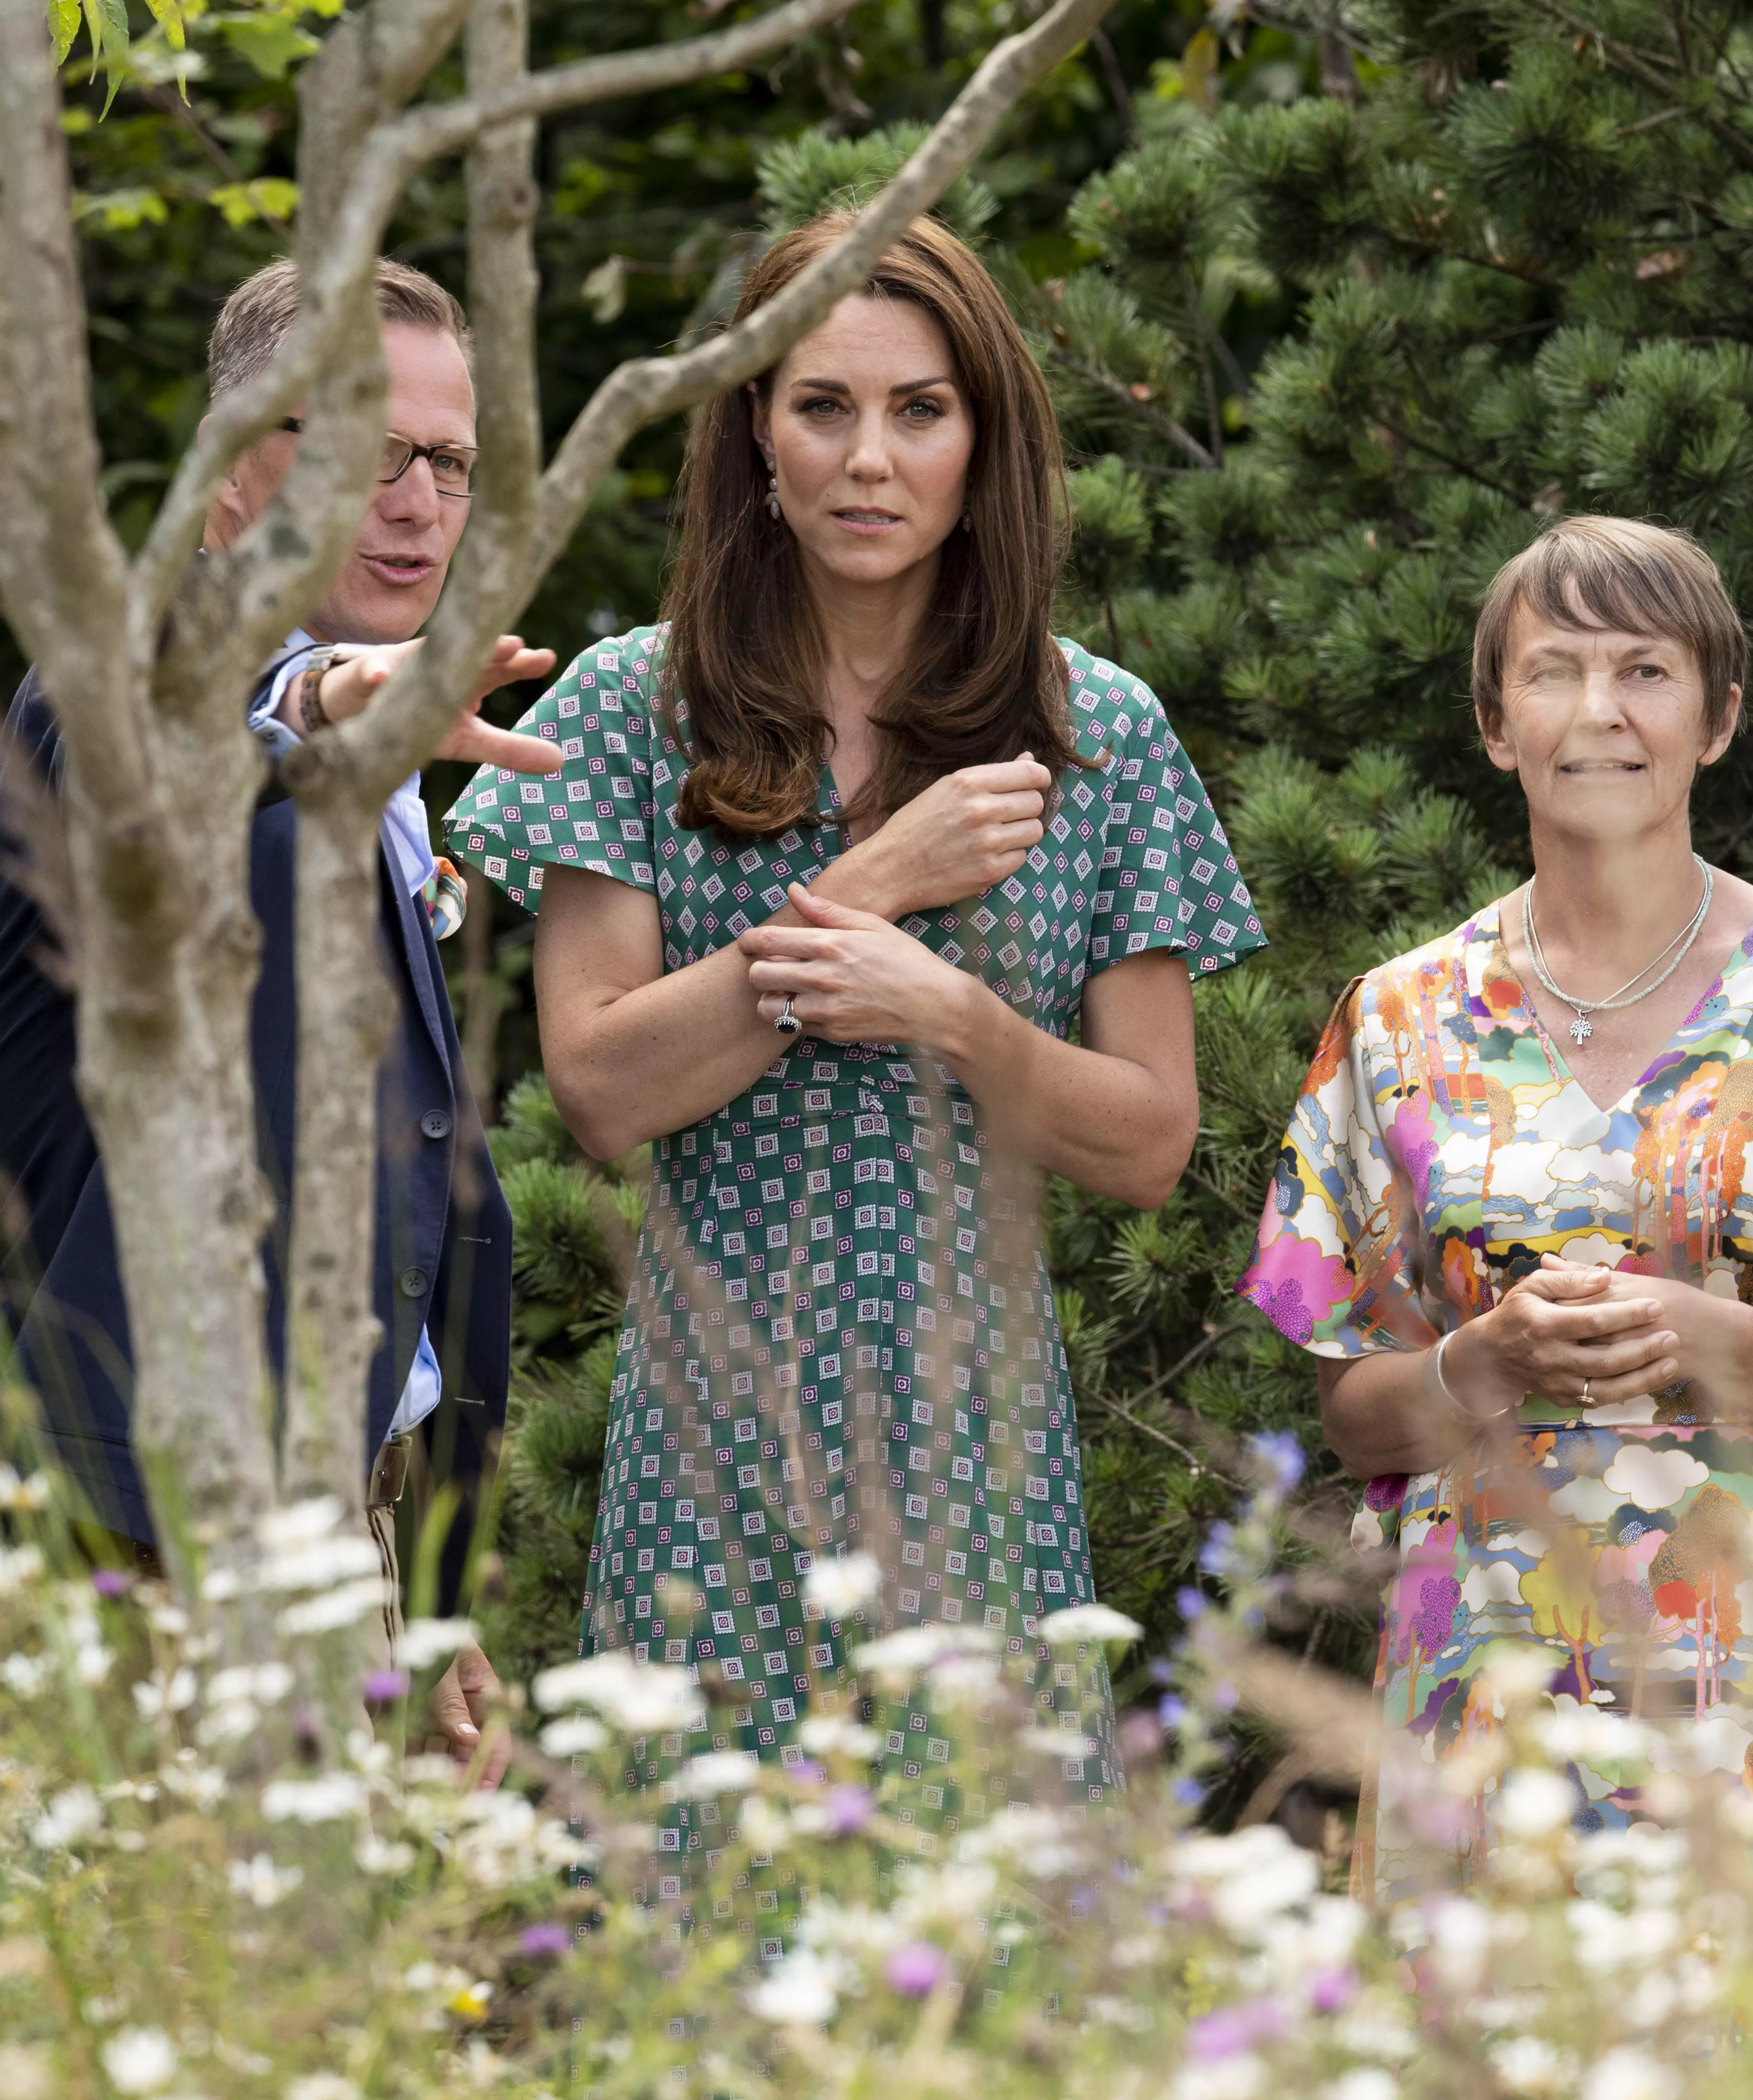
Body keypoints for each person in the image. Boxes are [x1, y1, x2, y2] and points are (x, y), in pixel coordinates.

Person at [446, 212, 1264, 1826]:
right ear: (754, 427)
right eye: (823, 406)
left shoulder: (1094, 730)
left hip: (980, 1471)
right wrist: (872, 884)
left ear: (985, 442)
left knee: (975, 2003)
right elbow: (604, 1090)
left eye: (921, 410)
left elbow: (1154, 1141)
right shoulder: (631, 705)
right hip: (707, 1463)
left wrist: (958, 1016)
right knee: (706, 1976)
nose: (868, 459)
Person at [0, 256, 558, 1770]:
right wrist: (315, 707)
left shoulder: (384, 751)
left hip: (351, 1538)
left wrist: (429, 1597)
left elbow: (403, 1179)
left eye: (448, 460)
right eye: (367, 447)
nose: (417, 500)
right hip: (151, 1548)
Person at [1240, 514, 1753, 1898]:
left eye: (1648, 669)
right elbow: (1350, 1408)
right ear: (1493, 719)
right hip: (1482, 1696)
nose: (1601, 711)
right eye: (1557, 671)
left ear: (1720, 715)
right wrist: (1485, 1360)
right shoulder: (1400, 1016)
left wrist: (1711, 1338)